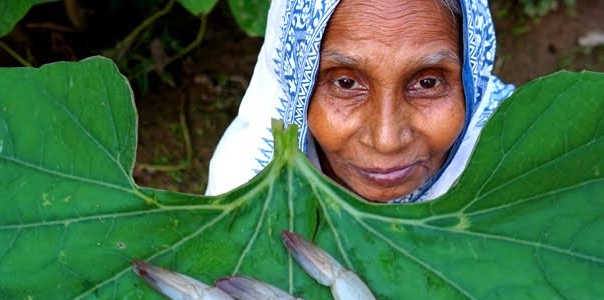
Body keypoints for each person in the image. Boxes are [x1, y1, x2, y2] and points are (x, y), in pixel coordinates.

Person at [206, 0, 513, 203]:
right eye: (346, 83)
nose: (386, 140)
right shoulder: (244, 190)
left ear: (473, 74)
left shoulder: (521, 168)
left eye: (427, 83)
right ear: (297, 79)